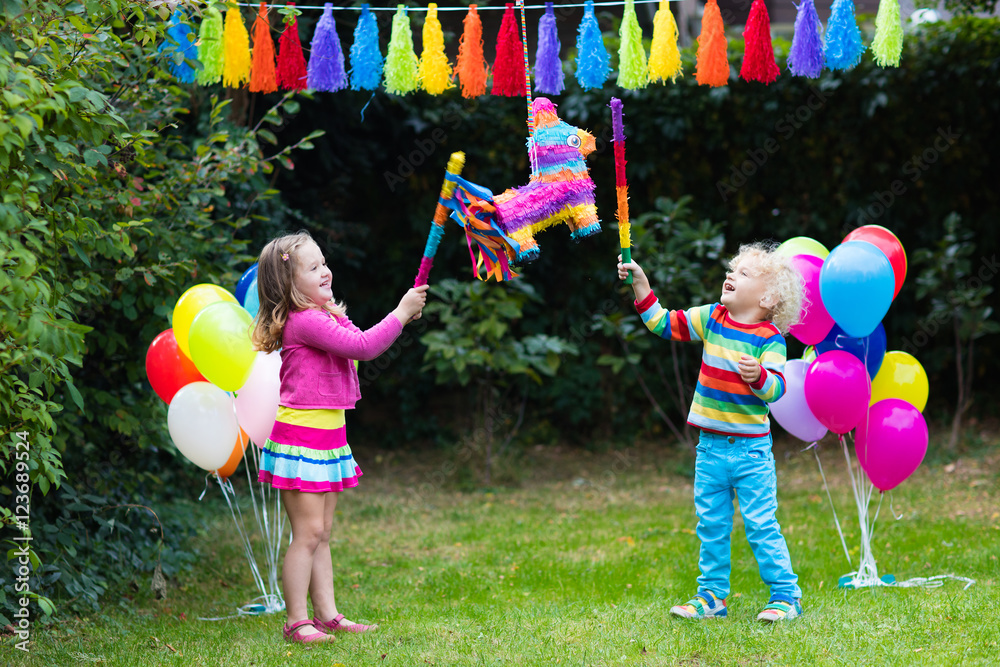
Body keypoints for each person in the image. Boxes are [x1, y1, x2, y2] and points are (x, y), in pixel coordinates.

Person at [251, 231, 428, 643]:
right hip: (302, 441)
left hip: (326, 439)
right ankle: (297, 621)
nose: (325, 271)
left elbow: (355, 336)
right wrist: (400, 313)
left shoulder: (323, 314)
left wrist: (377, 313)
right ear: (289, 286)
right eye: (312, 268)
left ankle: (327, 614)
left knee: (322, 533)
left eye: (324, 262)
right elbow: (363, 347)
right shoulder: (306, 320)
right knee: (308, 534)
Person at [617, 241, 805, 623]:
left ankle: (786, 596)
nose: (730, 275)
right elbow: (663, 322)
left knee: (761, 525)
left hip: (751, 453)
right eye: (731, 270)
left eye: (742, 273)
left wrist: (759, 377)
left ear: (767, 297)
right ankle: (711, 597)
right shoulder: (713, 318)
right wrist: (641, 284)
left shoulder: (770, 340)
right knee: (712, 526)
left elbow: (778, 388)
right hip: (710, 451)